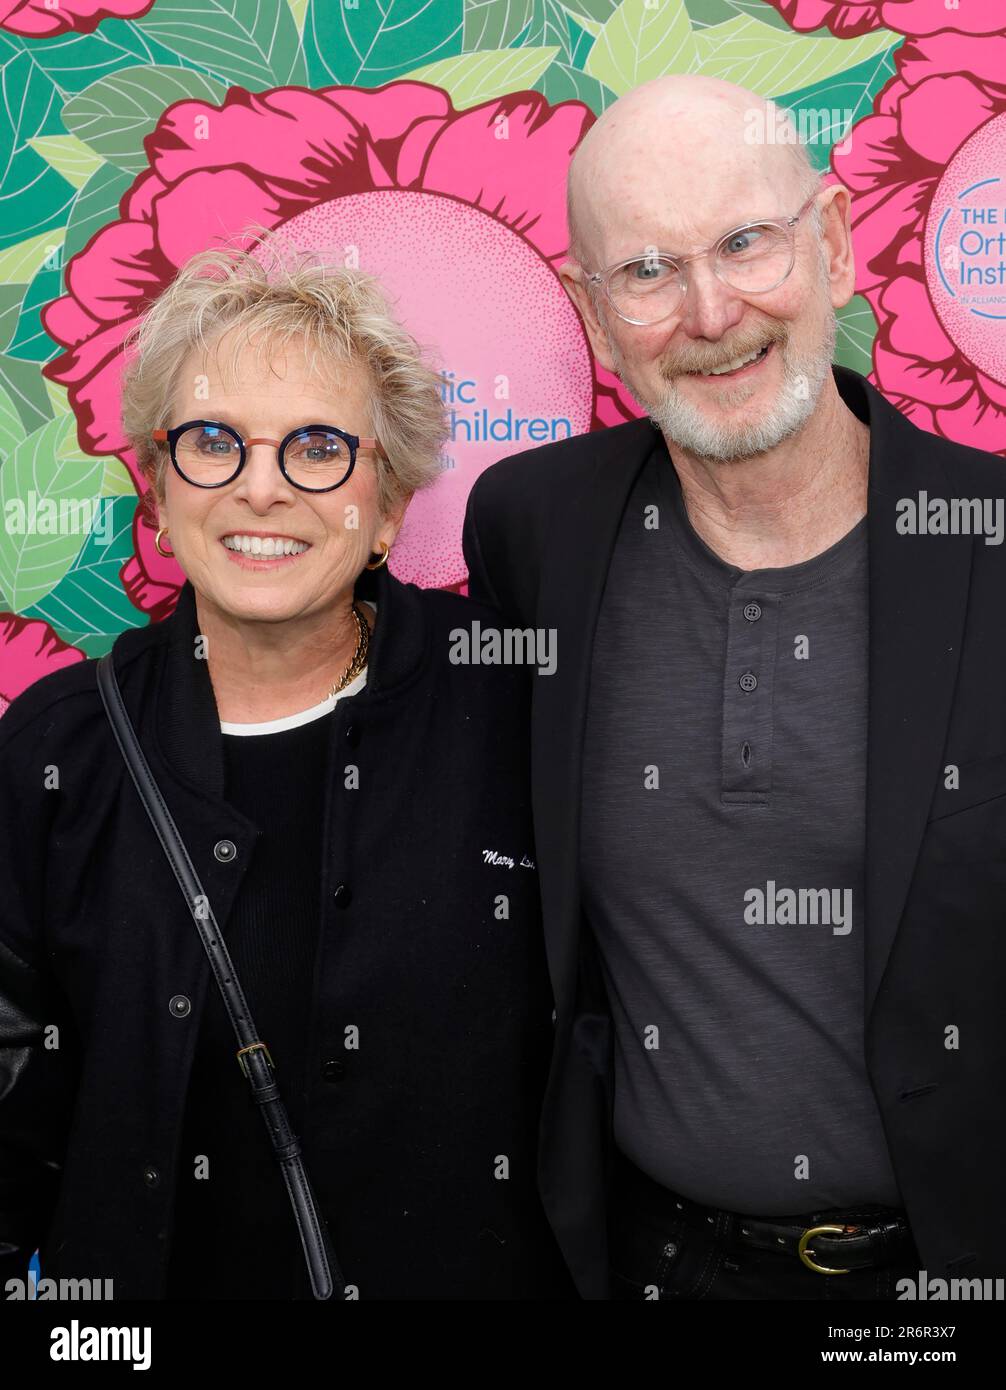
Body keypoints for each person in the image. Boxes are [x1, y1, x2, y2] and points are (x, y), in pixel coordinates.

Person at [463, 74, 1006, 1300]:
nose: (711, 311)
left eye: (746, 243)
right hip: (645, 1264)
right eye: (648, 271)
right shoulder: (533, 534)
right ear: (594, 321)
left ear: (833, 245)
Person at [0, 236, 574, 1300]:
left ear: (391, 507)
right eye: (215, 442)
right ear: (161, 495)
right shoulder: (57, 751)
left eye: (316, 448)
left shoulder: (516, 705)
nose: (261, 489)